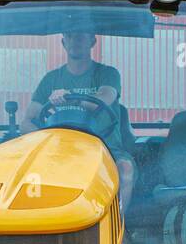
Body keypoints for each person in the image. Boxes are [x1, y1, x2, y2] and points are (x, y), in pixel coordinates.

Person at [21, 31, 135, 206]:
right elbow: (26, 122)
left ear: (92, 41)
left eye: (81, 36)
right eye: (70, 36)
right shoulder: (51, 79)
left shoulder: (108, 73)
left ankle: (120, 221)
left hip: (105, 148)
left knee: (125, 169)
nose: (75, 40)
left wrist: (72, 98)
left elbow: (104, 99)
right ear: (63, 42)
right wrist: (46, 139)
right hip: (59, 151)